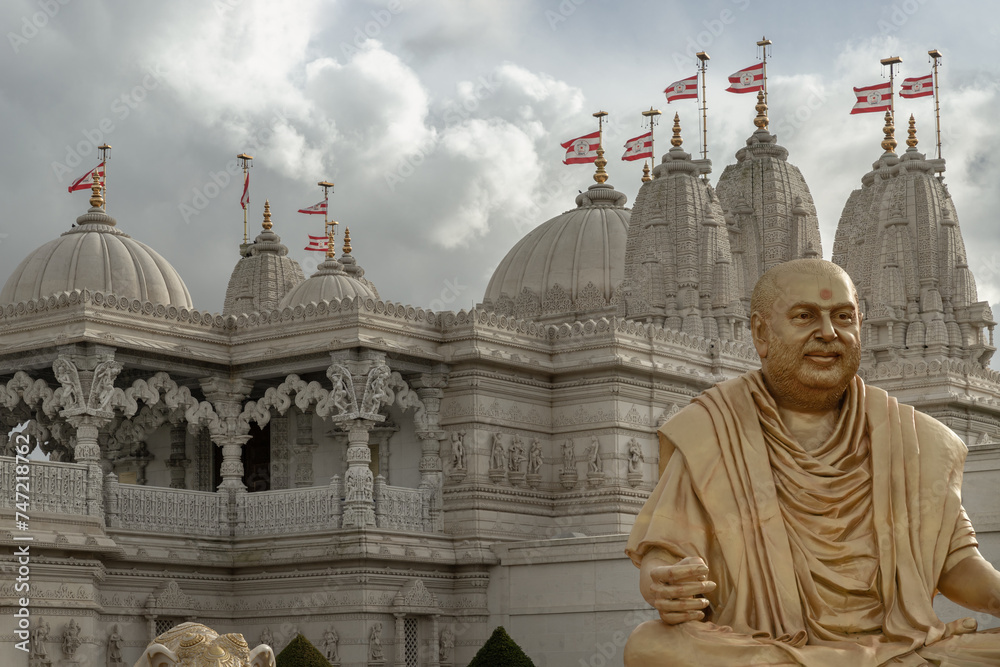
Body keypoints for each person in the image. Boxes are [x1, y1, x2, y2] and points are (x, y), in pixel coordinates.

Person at [625, 259, 1000, 666]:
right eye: (805, 316)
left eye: (843, 317)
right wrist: (661, 584)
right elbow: (666, 552)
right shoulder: (712, 430)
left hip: (899, 644)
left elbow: (957, 563)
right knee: (651, 645)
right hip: (769, 645)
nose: (828, 332)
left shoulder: (917, 439)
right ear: (761, 333)